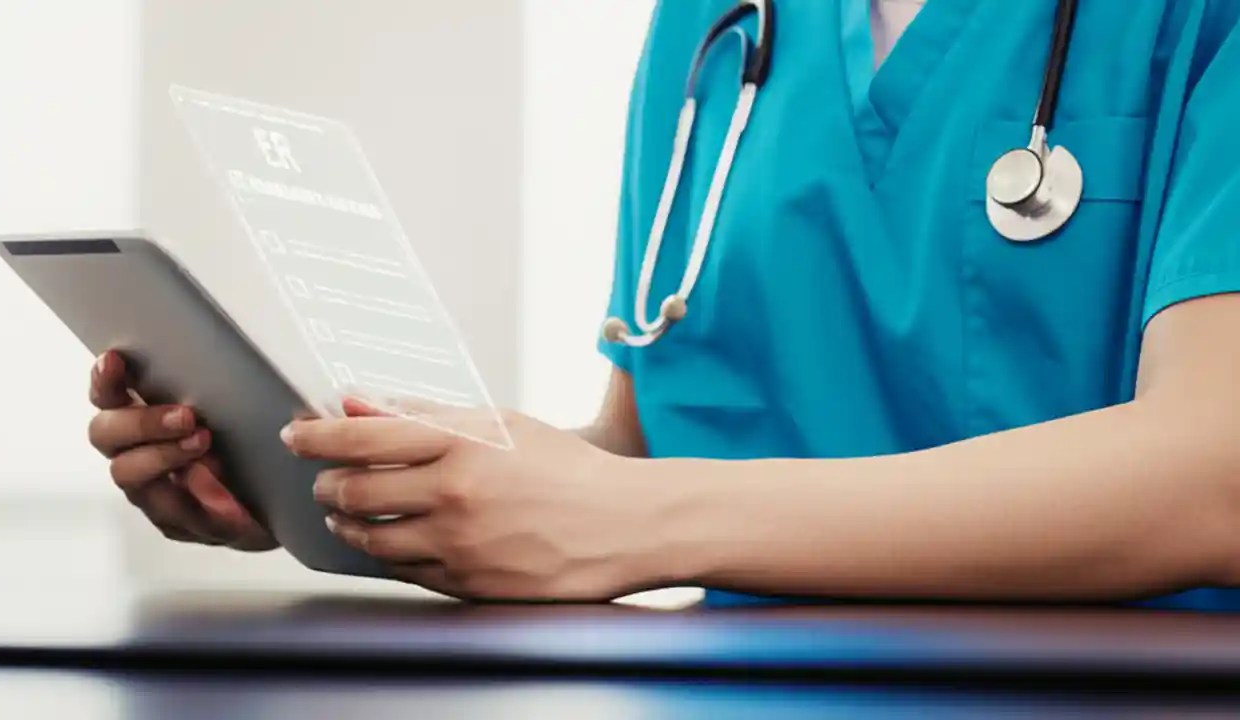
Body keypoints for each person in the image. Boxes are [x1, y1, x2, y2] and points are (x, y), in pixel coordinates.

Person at [87, 0, 1240, 608]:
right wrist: (367, 487)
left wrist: (626, 520)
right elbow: (640, 449)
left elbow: (1213, 476)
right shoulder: (718, 22)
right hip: (719, 691)